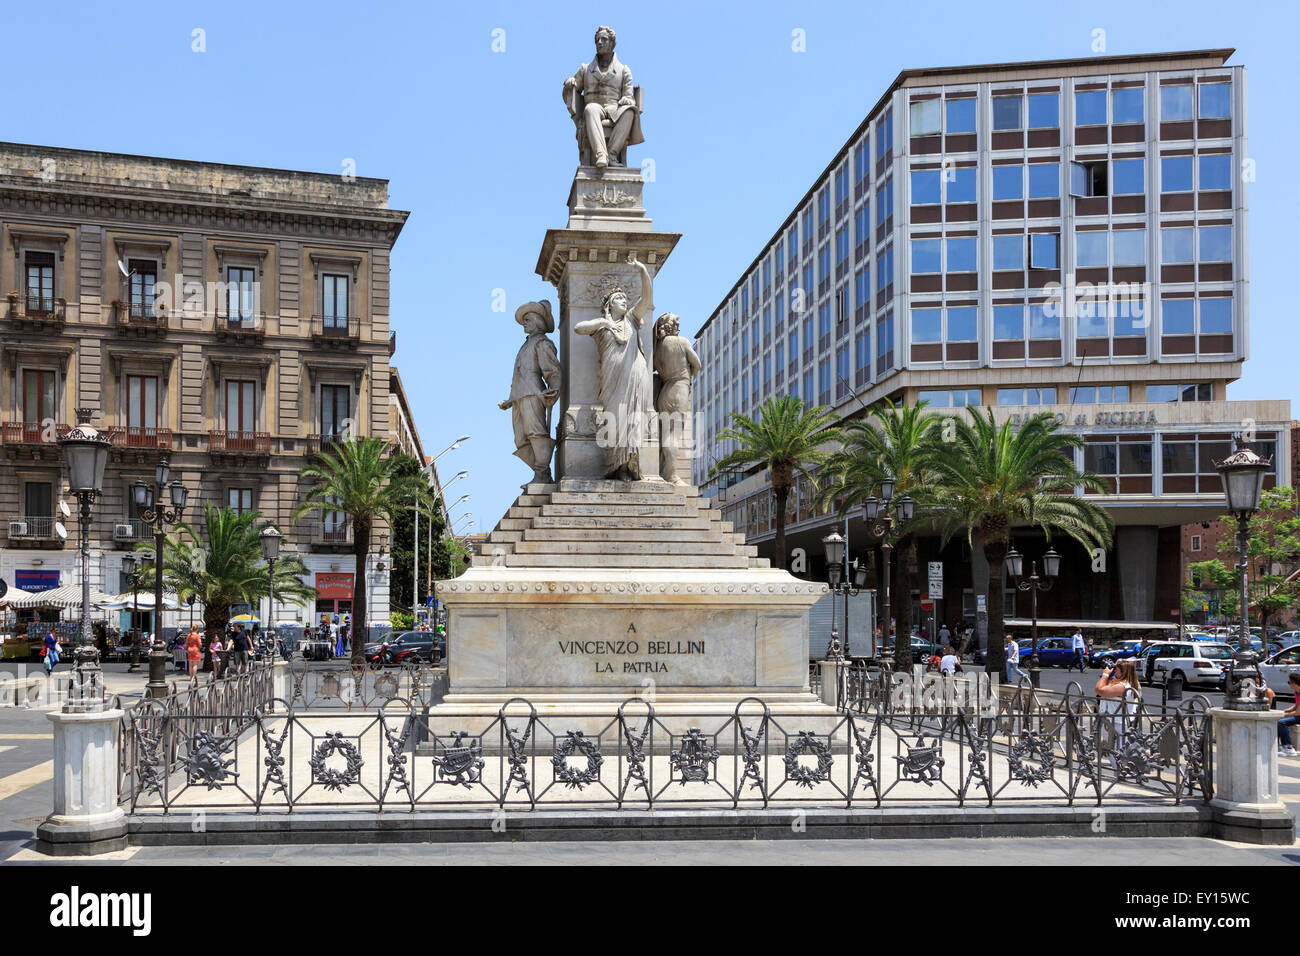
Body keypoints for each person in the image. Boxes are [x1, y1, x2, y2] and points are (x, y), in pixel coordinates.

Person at [574, 254, 655, 480]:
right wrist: (603, 322)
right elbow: (578, 328)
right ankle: (615, 465)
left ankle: (629, 466)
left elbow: (646, 299)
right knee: (616, 421)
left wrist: (642, 270)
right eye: (619, 298)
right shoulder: (602, 325)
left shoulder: (631, 319)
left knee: (633, 419)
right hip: (612, 379)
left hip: (634, 374)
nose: (624, 301)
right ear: (609, 304)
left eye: (625, 298)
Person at [500, 300, 561, 486]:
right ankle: (540, 471)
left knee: (536, 433)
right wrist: (509, 400)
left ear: (537, 321)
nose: (524, 323)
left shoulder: (542, 343)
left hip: (534, 394)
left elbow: (553, 371)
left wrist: (554, 390)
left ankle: (542, 474)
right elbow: (519, 374)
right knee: (521, 438)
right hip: (519, 397)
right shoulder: (526, 344)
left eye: (527, 320)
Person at [1277, 673, 1300, 757]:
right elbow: (1297, 705)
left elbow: (1298, 712)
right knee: (1278, 720)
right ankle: (1277, 747)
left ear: (1294, 683)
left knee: (1282, 722)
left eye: (1289, 682)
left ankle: (1289, 747)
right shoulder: (1297, 692)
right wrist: (1286, 711)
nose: (1289, 684)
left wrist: (1286, 715)